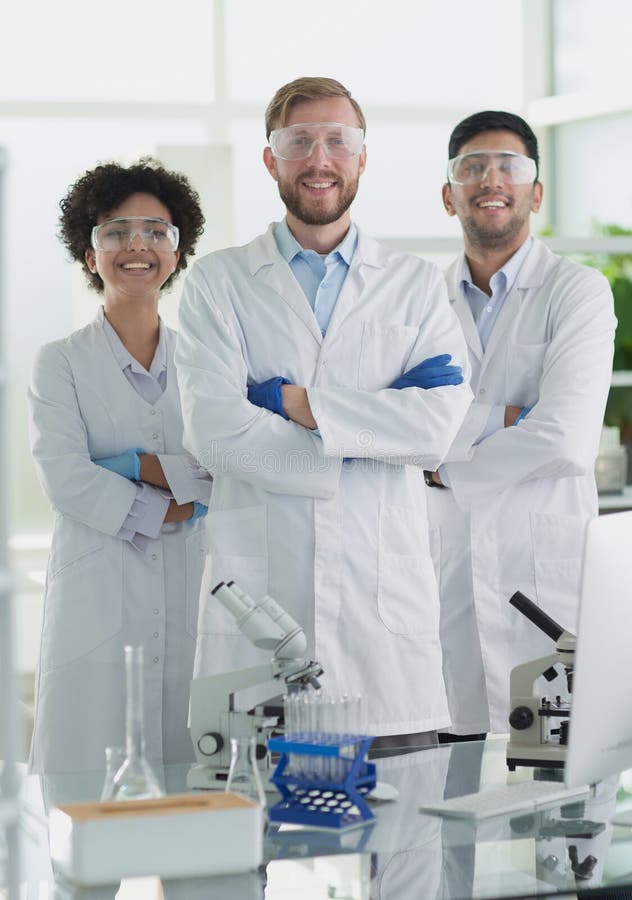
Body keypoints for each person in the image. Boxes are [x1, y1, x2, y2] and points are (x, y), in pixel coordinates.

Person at [175, 77, 473, 747]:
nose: (319, 158)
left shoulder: (416, 286)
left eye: (338, 140)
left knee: (405, 841)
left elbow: (438, 429)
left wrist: (296, 404)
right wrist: (367, 439)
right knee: (241, 837)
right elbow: (216, 434)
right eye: (298, 141)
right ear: (270, 159)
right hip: (257, 621)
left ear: (363, 157)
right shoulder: (218, 285)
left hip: (383, 631)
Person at [425, 111, 616, 739]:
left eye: (510, 166)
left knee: (559, 811)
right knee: (448, 800)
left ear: (536, 192)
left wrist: (442, 463)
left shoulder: (578, 292)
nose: (490, 180)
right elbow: (393, 426)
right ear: (448, 195)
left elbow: (564, 439)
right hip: (442, 580)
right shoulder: (416, 302)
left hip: (546, 586)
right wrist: (506, 418)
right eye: (471, 168)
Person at [27, 159, 211, 772]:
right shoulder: (58, 364)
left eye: (157, 232)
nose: (137, 245)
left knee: (195, 820)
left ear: (177, 253)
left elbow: (227, 465)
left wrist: (135, 465)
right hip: (95, 615)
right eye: (116, 231)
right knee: (84, 830)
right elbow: (66, 477)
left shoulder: (208, 364)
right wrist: (176, 493)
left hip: (190, 607)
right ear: (89, 254)